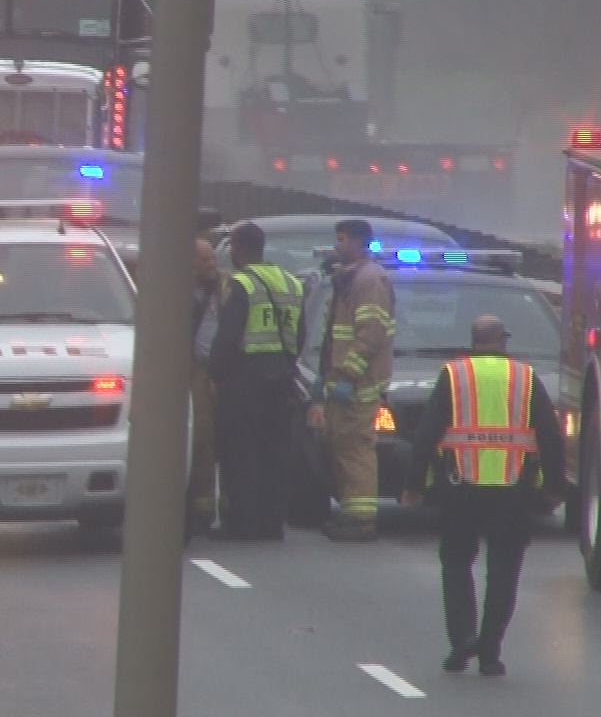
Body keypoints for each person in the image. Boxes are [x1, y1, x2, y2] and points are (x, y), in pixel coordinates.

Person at [402, 315, 563, 677]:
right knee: (504, 571)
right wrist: (554, 487)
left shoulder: (454, 376)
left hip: (461, 489)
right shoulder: (525, 378)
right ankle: (490, 652)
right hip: (514, 491)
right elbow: (550, 436)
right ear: (502, 341)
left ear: (473, 342)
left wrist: (414, 484)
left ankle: (462, 640)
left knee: (457, 563)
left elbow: (427, 433)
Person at [208, 221, 306, 540]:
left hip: (245, 381)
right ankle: (272, 523)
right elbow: (300, 335)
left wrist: (216, 374)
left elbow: (228, 337)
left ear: (238, 248)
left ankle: (243, 524)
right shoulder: (291, 283)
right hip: (281, 380)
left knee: (241, 453)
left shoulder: (240, 284)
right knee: (276, 453)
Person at [316, 217, 396, 541]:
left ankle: (361, 520)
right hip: (344, 380)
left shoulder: (370, 280)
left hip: (360, 384)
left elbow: (371, 334)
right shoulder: (348, 278)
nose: (337, 246)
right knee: (342, 447)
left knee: (357, 451)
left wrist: (349, 372)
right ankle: (350, 512)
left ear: (359, 242)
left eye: (342, 240)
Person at [186, 236, 225, 540]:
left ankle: (205, 509)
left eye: (213, 258)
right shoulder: (177, 292)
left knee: (208, 441)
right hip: (189, 372)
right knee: (198, 440)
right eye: (205, 260)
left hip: (216, 372)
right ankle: (196, 507)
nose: (213, 265)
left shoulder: (225, 288)